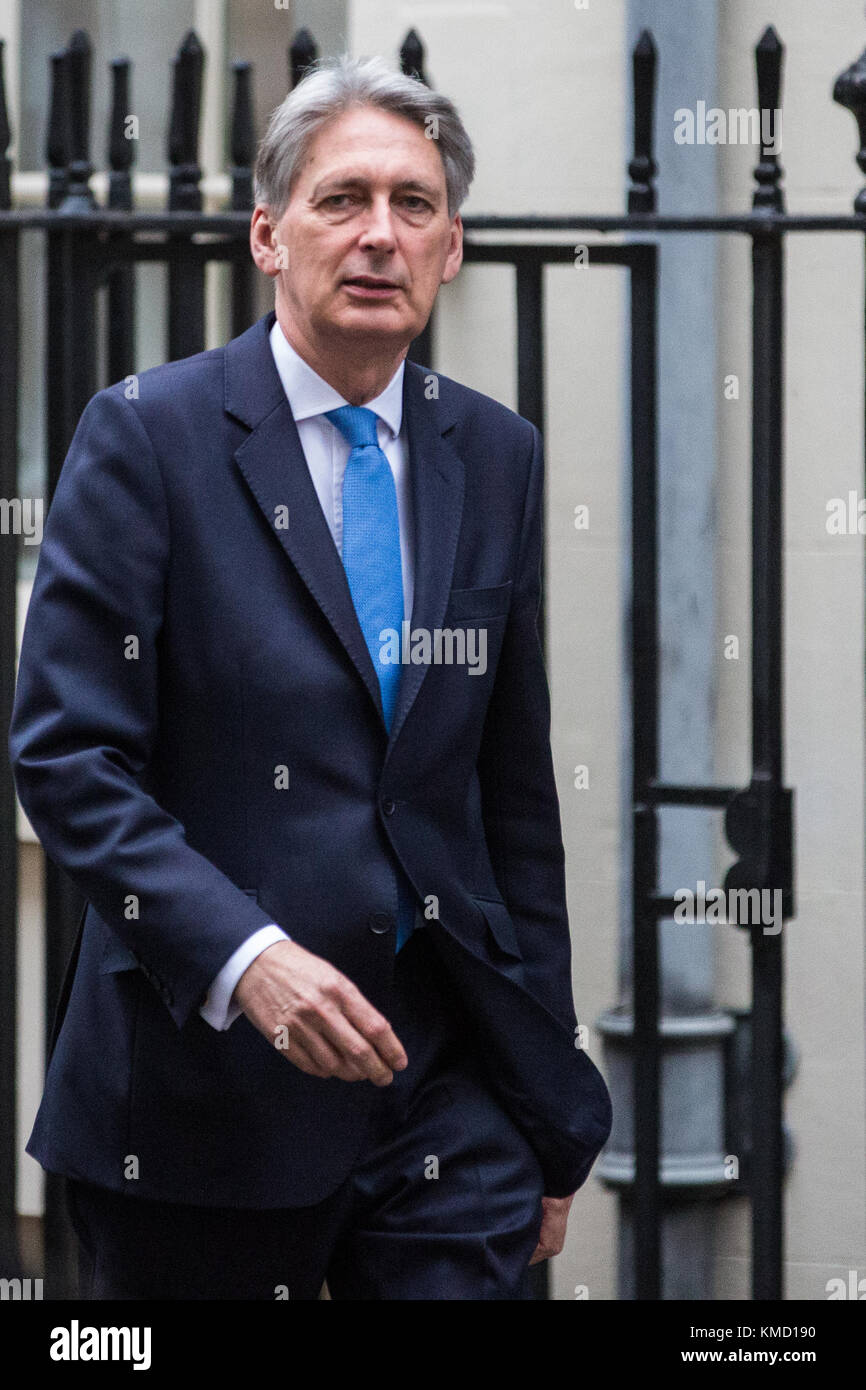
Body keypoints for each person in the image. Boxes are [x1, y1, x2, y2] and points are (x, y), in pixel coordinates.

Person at [9, 53, 612, 1300]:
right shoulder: (147, 436)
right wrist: (246, 956)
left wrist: (546, 1107)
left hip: (447, 1099)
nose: (379, 234)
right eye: (342, 200)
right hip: (198, 1101)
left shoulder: (491, 453)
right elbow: (68, 756)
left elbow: (507, 804)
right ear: (268, 237)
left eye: (414, 204)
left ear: (451, 248)